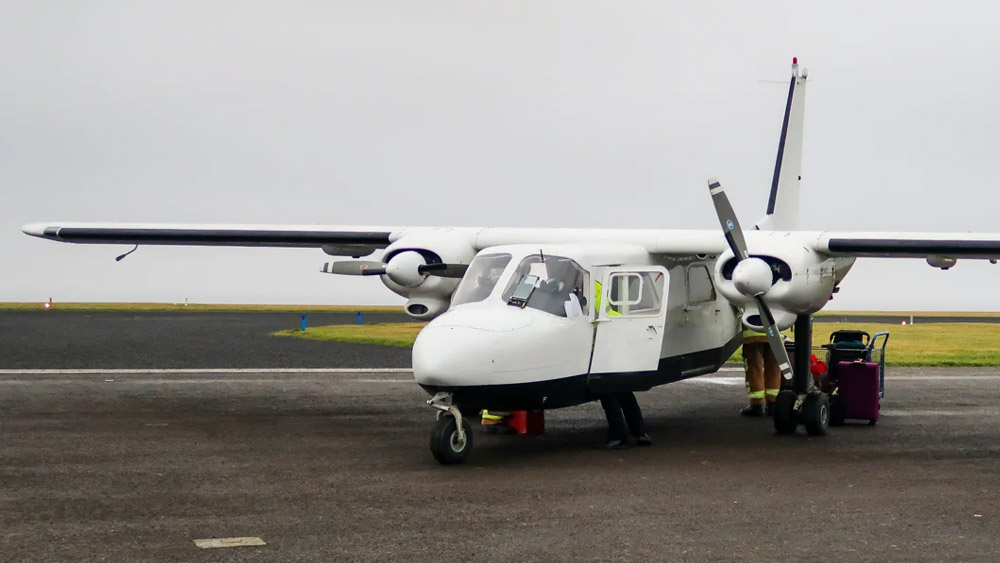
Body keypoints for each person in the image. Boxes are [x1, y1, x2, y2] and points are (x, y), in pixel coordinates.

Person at [741, 327, 781, 417]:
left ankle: (757, 404)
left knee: (754, 368)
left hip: (753, 334)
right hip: (775, 332)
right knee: (774, 368)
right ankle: (772, 404)